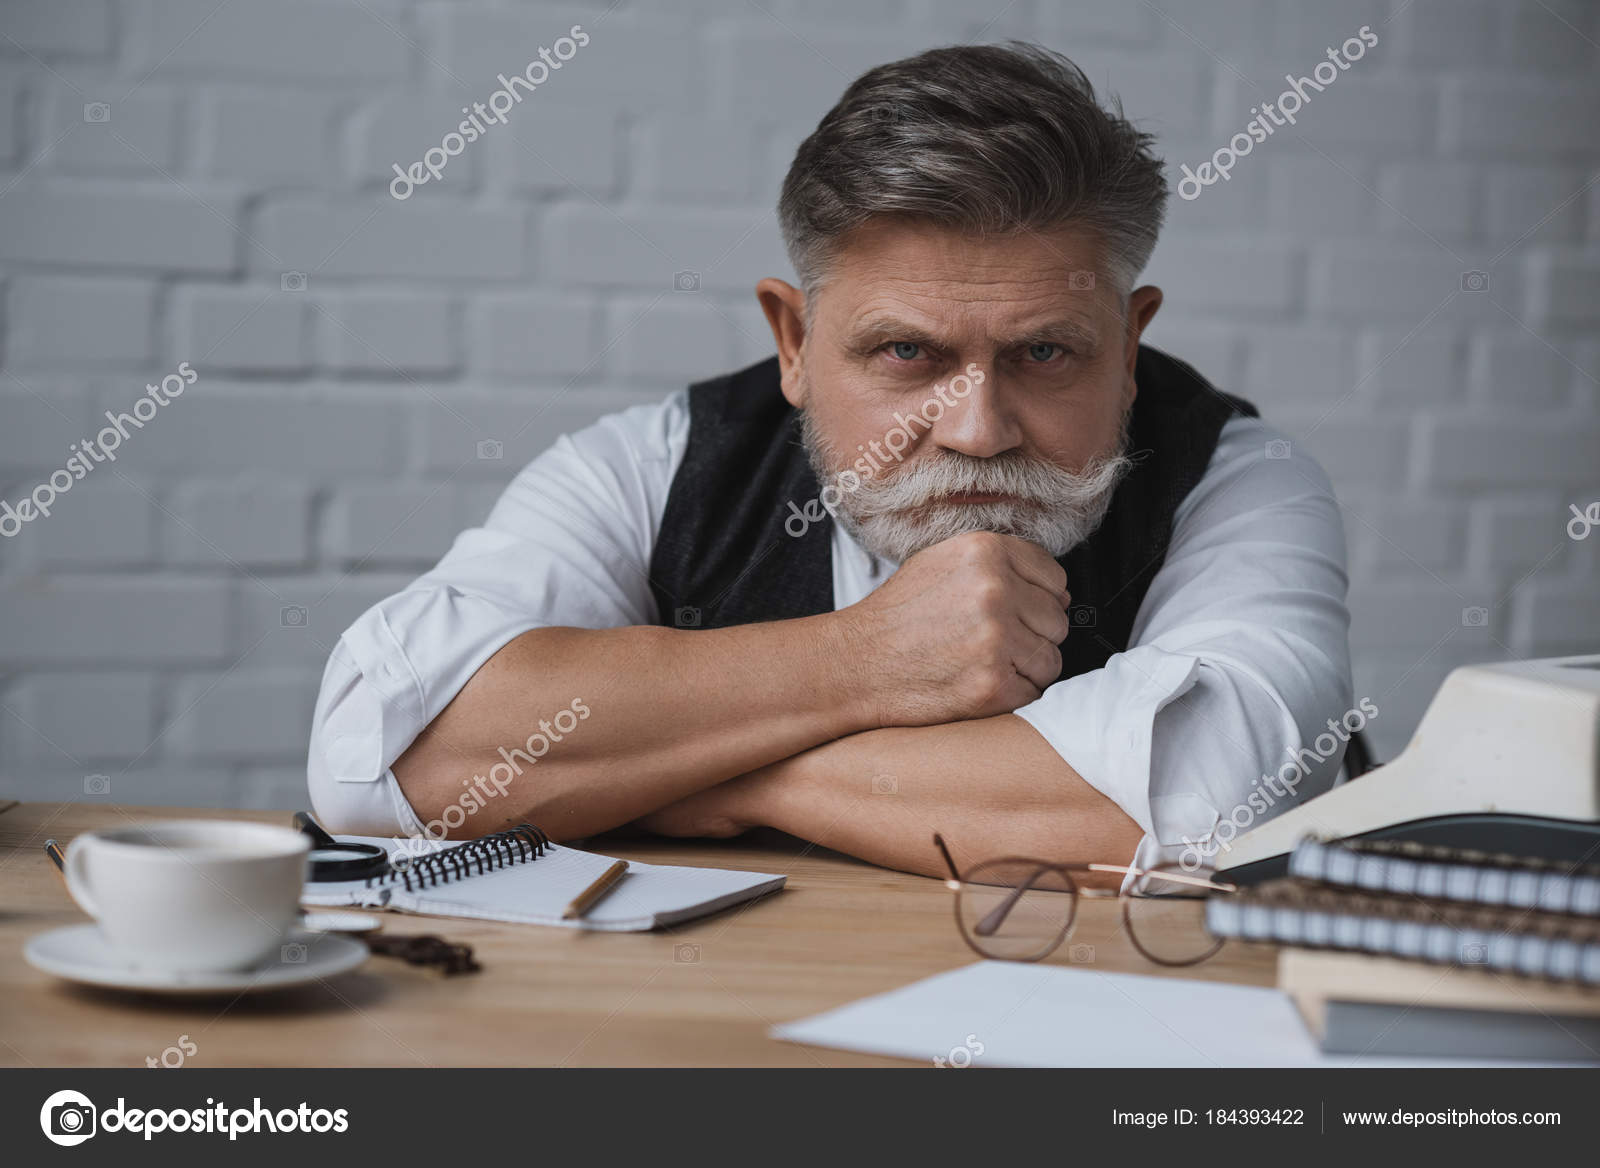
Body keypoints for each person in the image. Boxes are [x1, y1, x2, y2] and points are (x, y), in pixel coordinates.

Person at [307, 43, 1351, 884]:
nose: (977, 429)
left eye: (1044, 352)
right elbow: (382, 760)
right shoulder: (650, 465)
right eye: (907, 353)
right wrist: (862, 657)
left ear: (1127, 347)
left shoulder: (1240, 480)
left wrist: (716, 777)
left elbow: (1219, 810)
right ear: (794, 342)